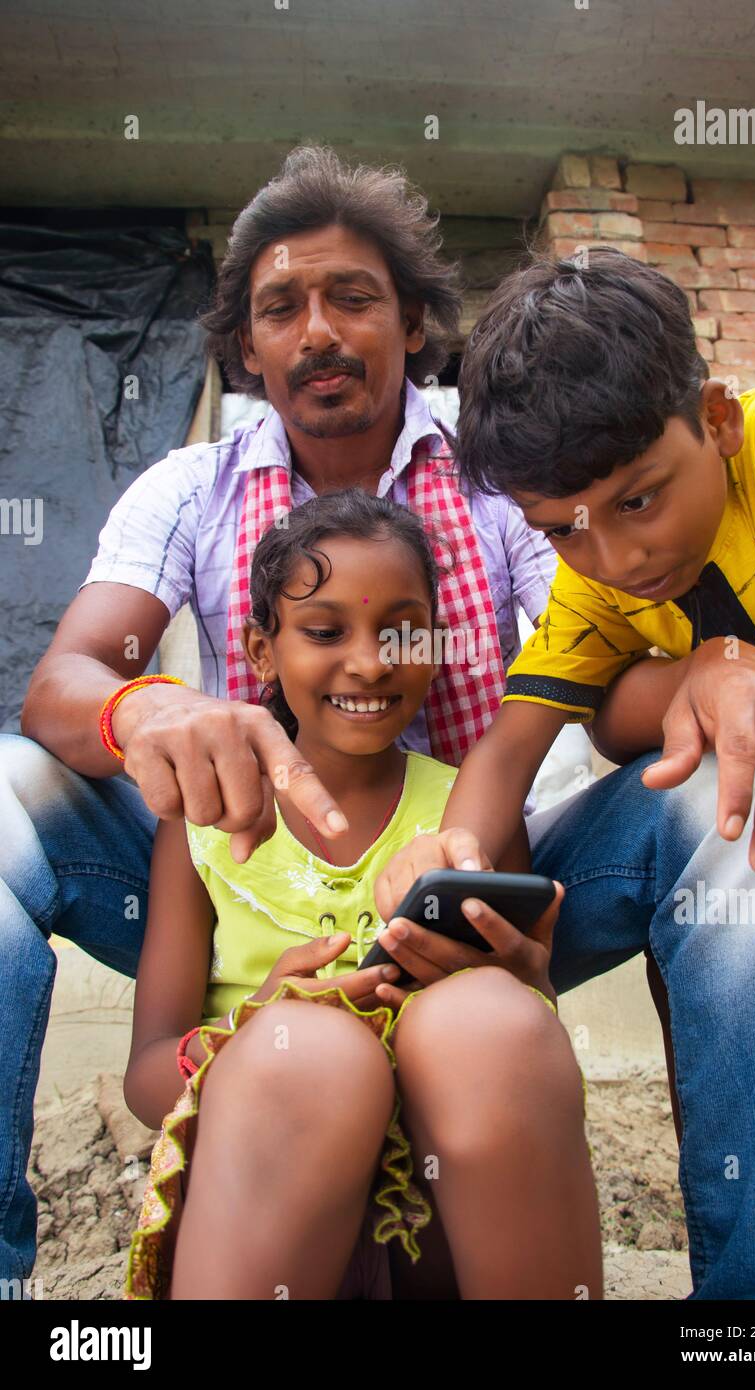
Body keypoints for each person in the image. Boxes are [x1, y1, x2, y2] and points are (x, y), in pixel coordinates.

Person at [0, 144, 556, 1287]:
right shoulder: (188, 485)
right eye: (279, 308)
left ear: (411, 321)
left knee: (710, 829)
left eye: (352, 297)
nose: (316, 332)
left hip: (486, 864)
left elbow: (594, 664)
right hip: (241, 872)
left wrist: (715, 666)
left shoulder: (503, 470)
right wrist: (148, 710)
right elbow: (61, 687)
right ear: (245, 349)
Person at [374, 247, 755, 1300]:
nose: (616, 559)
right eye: (561, 529)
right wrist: (454, 858)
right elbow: (508, 745)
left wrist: (747, 692)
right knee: (701, 814)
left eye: (640, 500)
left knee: (729, 806)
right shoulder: (593, 566)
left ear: (715, 421)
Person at [122, 490, 601, 1300]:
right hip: (266, 1216)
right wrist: (249, 1030)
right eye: (324, 631)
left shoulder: (468, 814)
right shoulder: (205, 823)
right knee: (307, 1051)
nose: (373, 661)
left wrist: (526, 988)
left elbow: (529, 1030)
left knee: (487, 1024)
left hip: (443, 1231)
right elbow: (144, 1075)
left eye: (403, 631)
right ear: (262, 653)